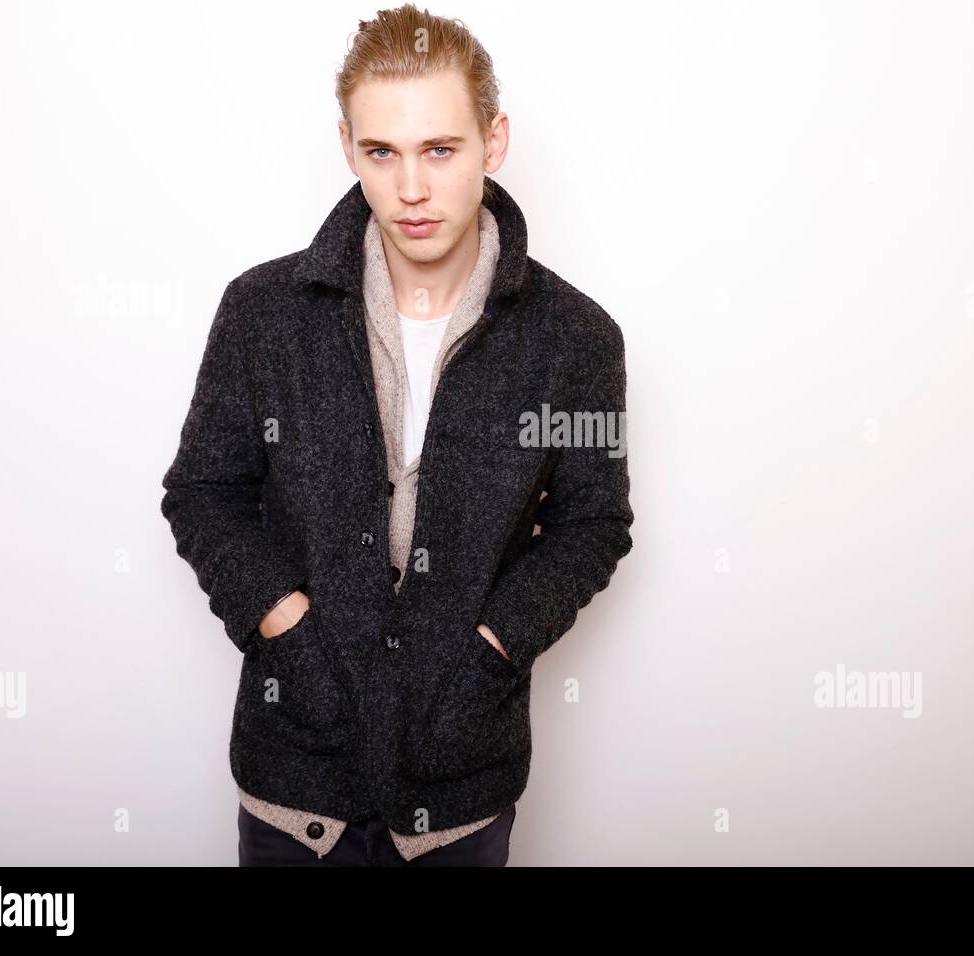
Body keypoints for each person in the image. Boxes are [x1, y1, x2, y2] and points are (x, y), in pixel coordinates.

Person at [160, 3, 634, 866]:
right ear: (347, 147)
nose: (411, 188)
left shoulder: (577, 339)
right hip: (292, 778)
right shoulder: (261, 315)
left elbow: (592, 525)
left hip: (461, 788)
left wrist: (490, 648)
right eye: (382, 152)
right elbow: (202, 494)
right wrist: (283, 625)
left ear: (493, 143)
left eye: (440, 150)